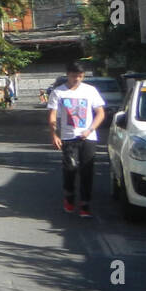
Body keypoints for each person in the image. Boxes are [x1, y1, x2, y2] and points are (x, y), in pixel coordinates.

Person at [47, 61, 107, 218]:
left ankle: (85, 204)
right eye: (74, 76)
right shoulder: (58, 92)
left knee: (87, 171)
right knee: (70, 169)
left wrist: (90, 130)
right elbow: (53, 115)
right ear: (68, 75)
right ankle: (69, 197)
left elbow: (100, 113)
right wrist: (54, 134)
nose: (77, 79)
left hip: (88, 136)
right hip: (68, 137)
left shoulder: (91, 91)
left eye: (80, 76)